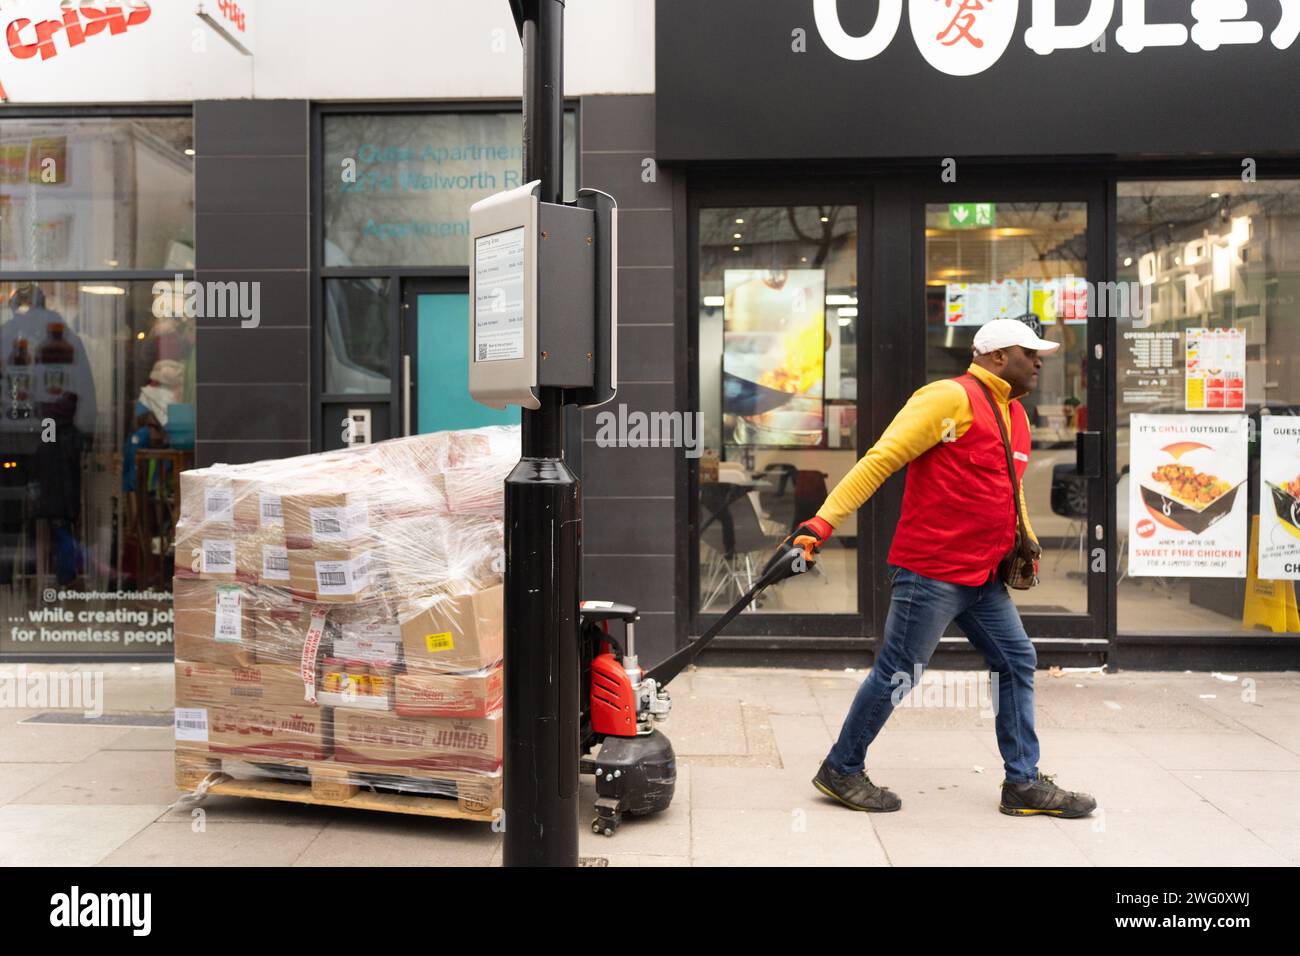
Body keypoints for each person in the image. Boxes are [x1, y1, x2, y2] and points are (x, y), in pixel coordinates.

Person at [787, 318, 1096, 819]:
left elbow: (1010, 486)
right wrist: (820, 526)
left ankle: (1022, 783)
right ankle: (842, 768)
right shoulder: (946, 398)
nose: (1039, 361)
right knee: (899, 673)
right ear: (997, 356)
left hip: (983, 577)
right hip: (930, 572)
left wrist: (1026, 537)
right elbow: (878, 461)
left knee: (1016, 660)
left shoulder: (1015, 414)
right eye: (1029, 352)